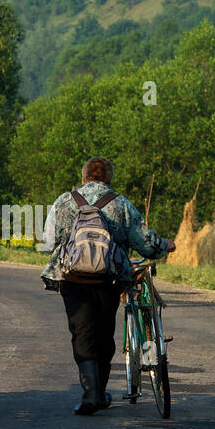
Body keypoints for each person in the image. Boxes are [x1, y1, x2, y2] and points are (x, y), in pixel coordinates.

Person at [42, 157, 175, 415]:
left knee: (82, 333)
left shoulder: (64, 201)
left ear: (83, 178)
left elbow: (48, 242)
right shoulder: (121, 204)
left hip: (74, 279)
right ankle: (100, 392)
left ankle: (91, 394)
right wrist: (164, 245)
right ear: (109, 179)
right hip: (108, 279)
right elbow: (145, 243)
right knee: (104, 334)